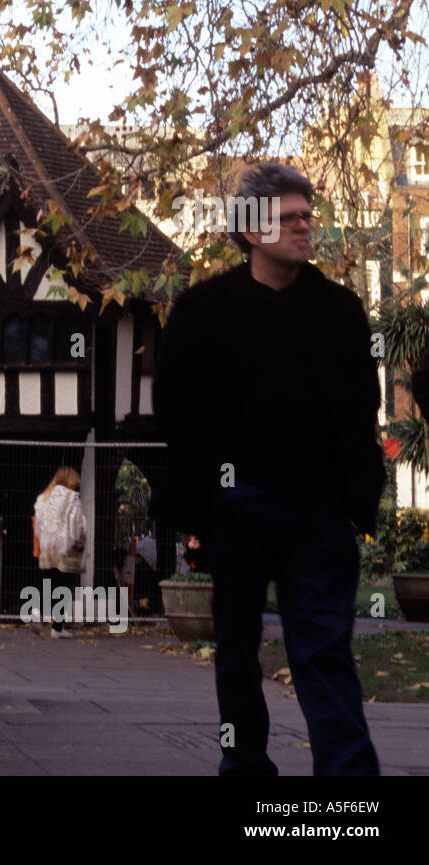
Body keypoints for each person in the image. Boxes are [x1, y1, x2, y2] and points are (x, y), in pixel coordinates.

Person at [154, 162, 384, 776]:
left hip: (319, 514)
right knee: (235, 654)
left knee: (325, 653)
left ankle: (349, 788)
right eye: (291, 219)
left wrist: (357, 504)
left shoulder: (340, 312)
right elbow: (178, 419)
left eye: (309, 215)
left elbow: (363, 410)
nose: (307, 227)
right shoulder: (204, 313)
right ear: (252, 231)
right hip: (238, 507)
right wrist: (196, 513)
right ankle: (244, 769)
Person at [32, 466, 88, 638]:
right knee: (63, 588)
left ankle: (38, 611)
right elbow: (77, 526)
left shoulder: (44, 498)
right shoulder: (72, 499)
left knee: (48, 584)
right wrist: (80, 542)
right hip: (66, 550)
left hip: (48, 548)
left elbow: (38, 525)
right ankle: (57, 628)